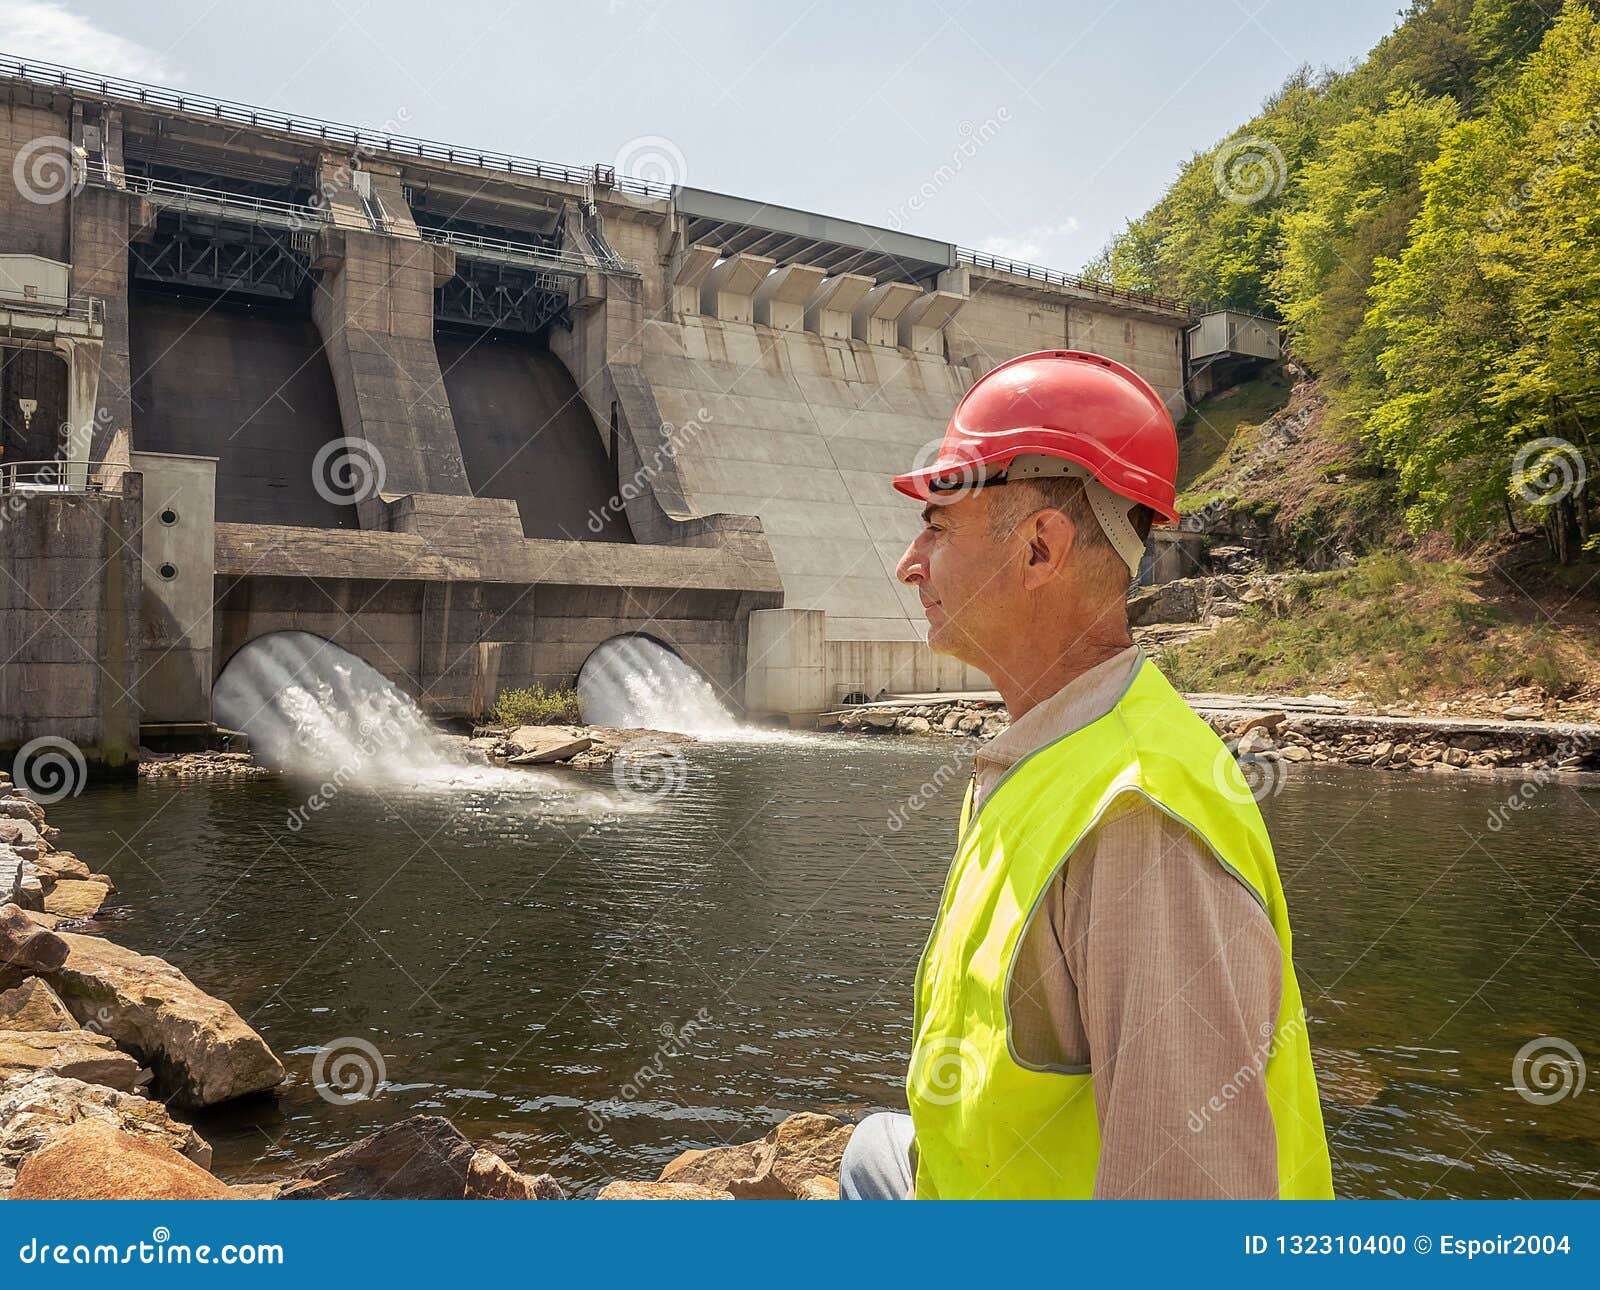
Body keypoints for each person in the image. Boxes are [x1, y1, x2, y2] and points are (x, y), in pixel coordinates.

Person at [839, 350, 1333, 1200]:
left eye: (939, 528)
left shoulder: (1138, 821)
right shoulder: (1049, 753)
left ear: (1039, 548)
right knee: (872, 1152)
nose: (909, 564)